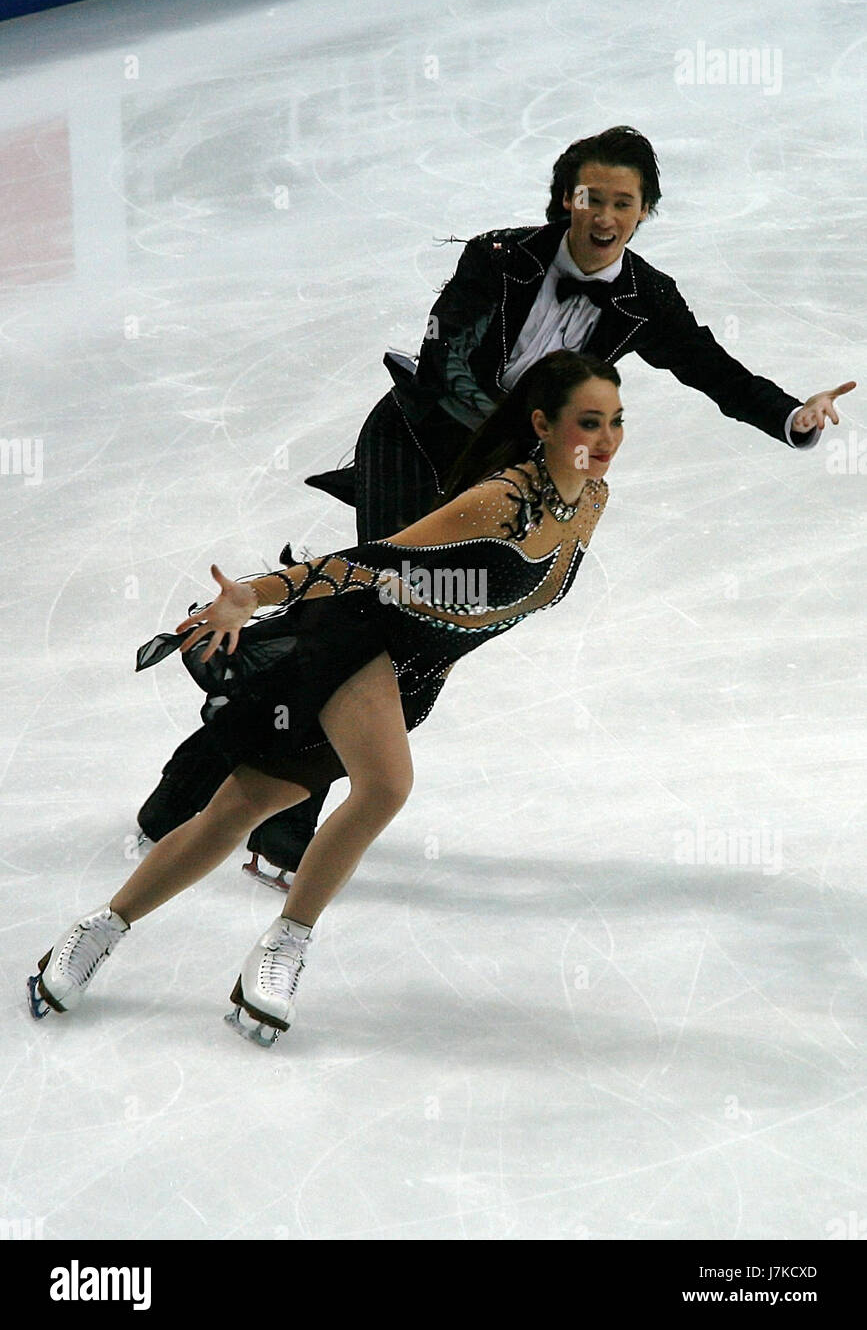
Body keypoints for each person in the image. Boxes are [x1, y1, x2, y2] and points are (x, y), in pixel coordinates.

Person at [136, 125, 855, 881]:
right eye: (590, 198)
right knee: (365, 624)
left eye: (623, 202)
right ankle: (276, 825)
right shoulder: (499, 258)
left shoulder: (647, 298)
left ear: (645, 211)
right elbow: (445, 361)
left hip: (497, 479)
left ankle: (194, 795)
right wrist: (525, 436)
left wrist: (790, 417)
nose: (604, 216)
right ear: (564, 200)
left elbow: (713, 370)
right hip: (419, 445)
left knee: (392, 643)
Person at [28, 352, 622, 1046]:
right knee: (385, 787)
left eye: (615, 422)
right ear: (542, 425)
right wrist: (255, 594)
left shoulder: (590, 501)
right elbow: (369, 562)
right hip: (358, 645)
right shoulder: (499, 500)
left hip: (411, 676)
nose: (605, 439)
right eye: (588, 422)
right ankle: (285, 944)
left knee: (236, 812)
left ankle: (100, 926)